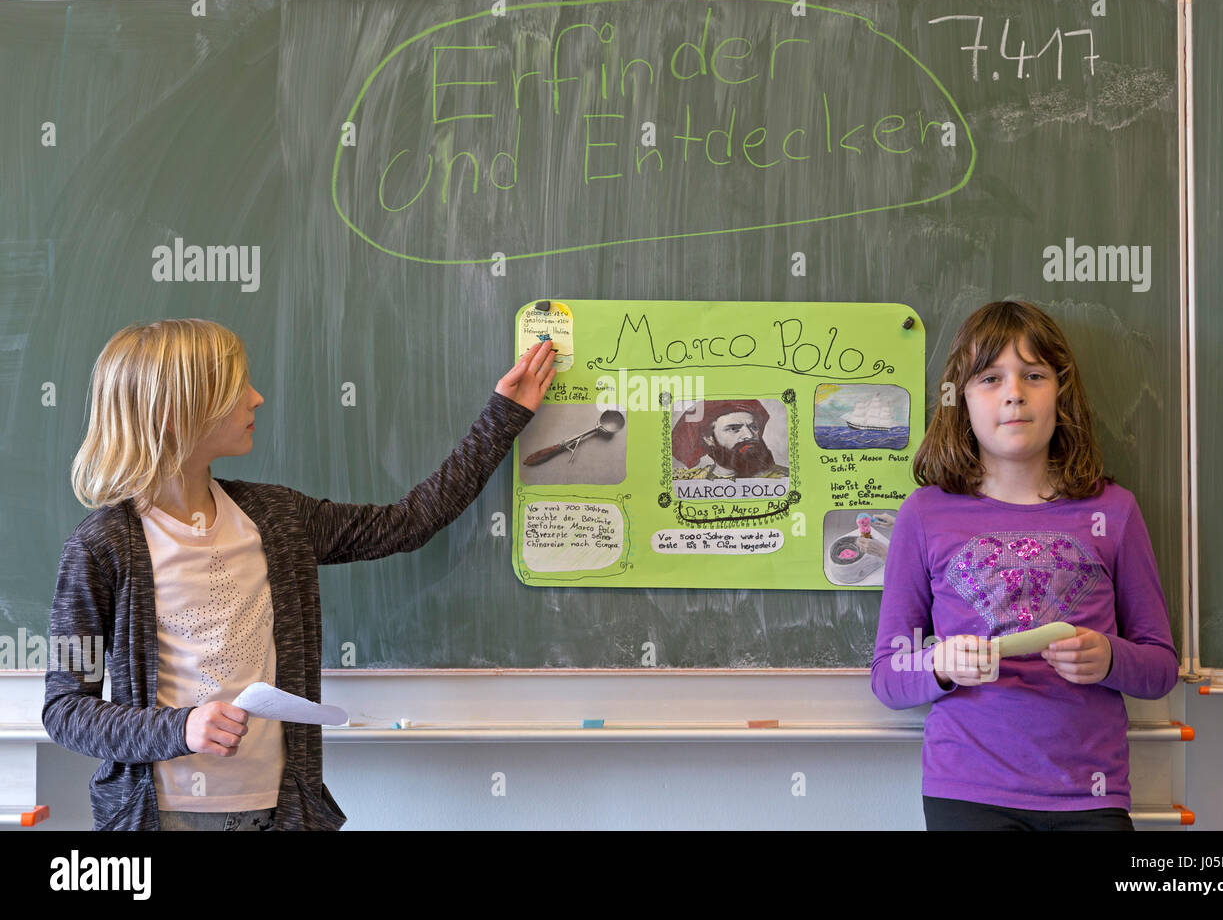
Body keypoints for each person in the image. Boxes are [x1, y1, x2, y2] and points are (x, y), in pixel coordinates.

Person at [43, 320, 556, 830]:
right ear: (176, 414)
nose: (258, 398)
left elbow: (409, 523)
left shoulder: (276, 519)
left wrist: (504, 416)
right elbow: (65, 709)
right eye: (236, 386)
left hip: (282, 812)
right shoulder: (99, 547)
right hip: (159, 816)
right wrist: (181, 728)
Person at [870, 300, 1178, 831]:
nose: (1014, 392)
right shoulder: (925, 515)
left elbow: (1160, 668)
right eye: (990, 378)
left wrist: (1108, 659)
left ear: (1061, 392)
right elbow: (887, 675)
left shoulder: (1114, 511)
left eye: (1034, 375)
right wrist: (940, 664)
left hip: (1090, 795)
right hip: (967, 790)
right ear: (960, 400)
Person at [671, 399, 788, 480]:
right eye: (733, 428)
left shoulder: (784, 477)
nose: (749, 435)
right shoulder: (692, 480)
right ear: (708, 438)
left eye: (754, 427)